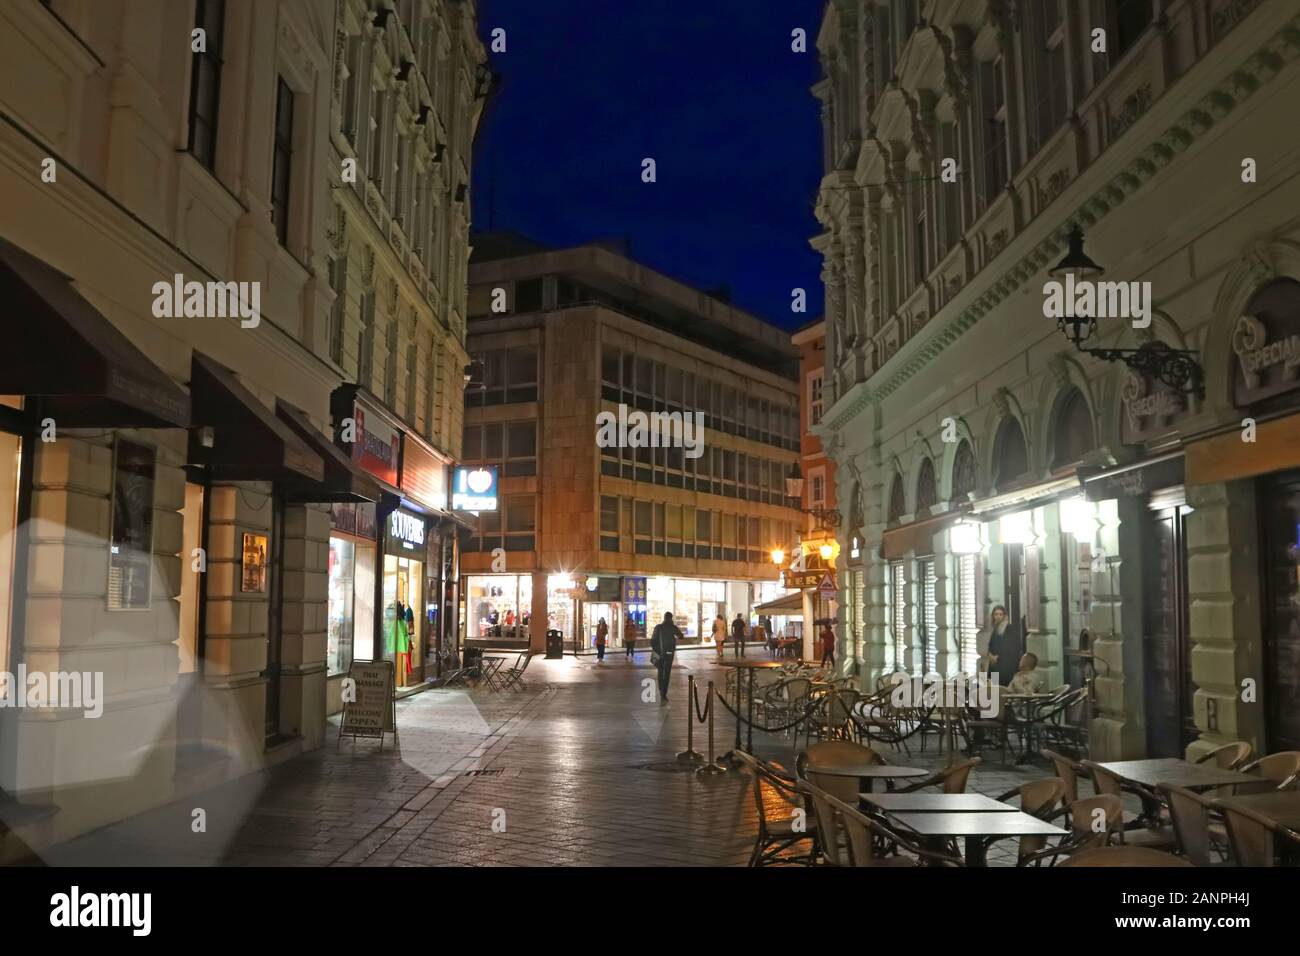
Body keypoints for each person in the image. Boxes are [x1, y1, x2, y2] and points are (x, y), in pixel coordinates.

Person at [983, 605, 1022, 689]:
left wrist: (998, 657)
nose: (998, 617)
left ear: (1004, 616)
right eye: (996, 614)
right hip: (995, 665)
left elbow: (1012, 648)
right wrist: (990, 655)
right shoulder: (995, 629)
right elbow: (991, 645)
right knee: (994, 690)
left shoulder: (1010, 629)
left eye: (1000, 614)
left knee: (1003, 690)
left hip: (1006, 666)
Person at [651, 612, 681, 704]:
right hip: (669, 653)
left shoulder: (658, 627)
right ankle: (664, 695)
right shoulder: (672, 627)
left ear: (664, 618)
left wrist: (657, 650)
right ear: (671, 618)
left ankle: (661, 694)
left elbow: (652, 641)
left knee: (660, 673)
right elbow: (681, 636)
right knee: (666, 674)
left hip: (660, 654)